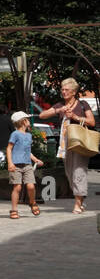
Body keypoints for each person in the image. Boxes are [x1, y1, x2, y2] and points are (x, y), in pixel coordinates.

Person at [40, 77, 96, 214]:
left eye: (66, 90)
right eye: (62, 89)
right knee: (69, 174)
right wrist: (59, 110)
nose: (63, 92)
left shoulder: (82, 104)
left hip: (79, 143)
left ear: (73, 92)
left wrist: (75, 117)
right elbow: (42, 115)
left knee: (79, 172)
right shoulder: (60, 105)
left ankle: (77, 204)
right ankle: (80, 200)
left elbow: (92, 122)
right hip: (65, 145)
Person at [6, 110, 43, 218]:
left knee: (31, 186)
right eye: (27, 119)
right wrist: (10, 163)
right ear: (23, 121)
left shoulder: (28, 136)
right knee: (17, 187)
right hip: (16, 165)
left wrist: (35, 159)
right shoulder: (15, 134)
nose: (29, 121)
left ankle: (32, 202)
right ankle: (14, 209)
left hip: (27, 165)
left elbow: (27, 151)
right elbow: (9, 148)